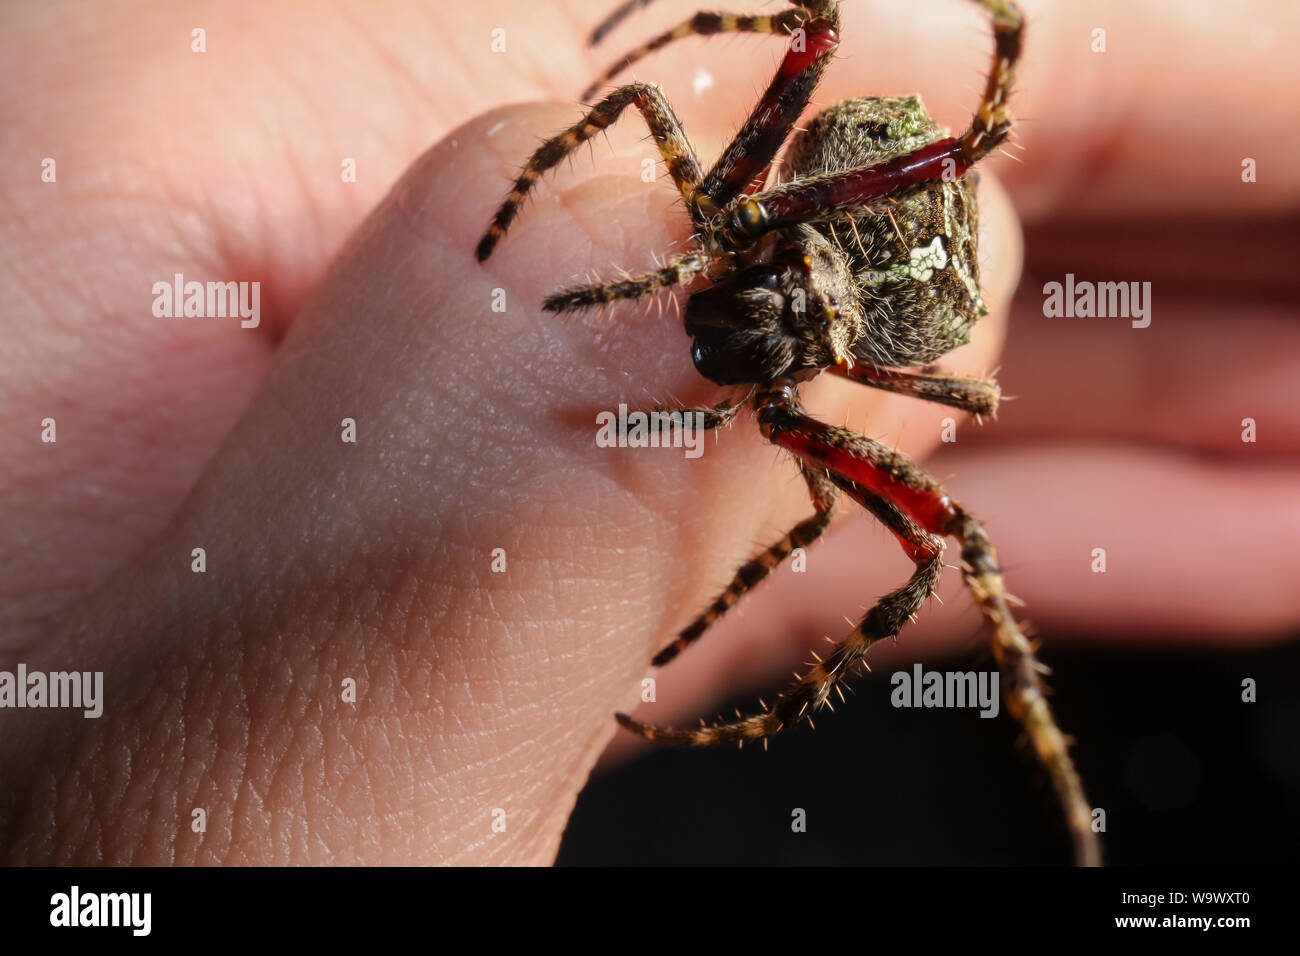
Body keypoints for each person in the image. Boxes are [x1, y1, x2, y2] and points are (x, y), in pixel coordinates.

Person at [0, 0, 1295, 864]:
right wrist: (554, 162)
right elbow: (646, 106)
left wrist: (702, 662)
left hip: (880, 271)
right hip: (830, 226)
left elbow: (644, 106)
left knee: (941, 548)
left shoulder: (794, 395)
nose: (720, 339)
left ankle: (1024, 786)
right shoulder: (727, 226)